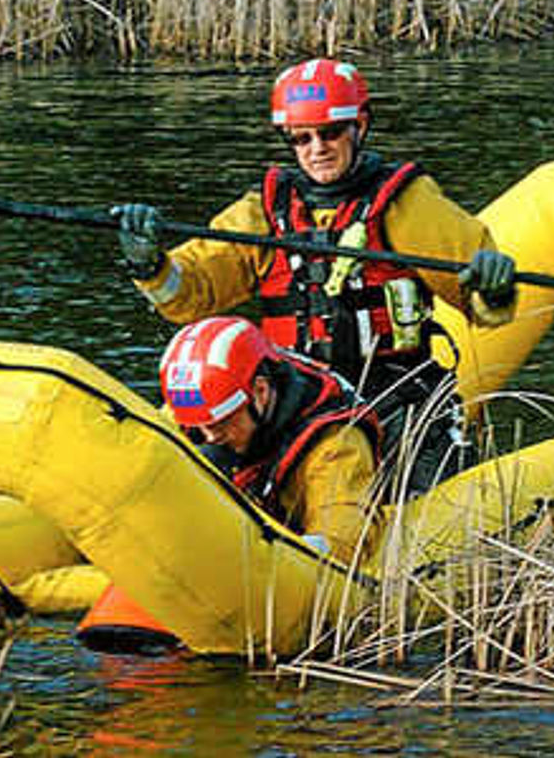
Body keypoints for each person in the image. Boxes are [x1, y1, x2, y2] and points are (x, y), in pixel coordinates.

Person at [115, 58, 517, 493]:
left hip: (394, 395)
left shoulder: (407, 204)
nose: (316, 148)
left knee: (434, 489)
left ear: (360, 126)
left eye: (330, 133)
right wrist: (150, 265)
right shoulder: (263, 212)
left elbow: (483, 305)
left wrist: (493, 289)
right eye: (301, 138)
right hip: (295, 399)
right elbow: (190, 292)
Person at [159, 316, 381, 565]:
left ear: (260, 391)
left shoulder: (335, 446)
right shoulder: (199, 404)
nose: (210, 436)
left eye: (223, 423)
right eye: (199, 425)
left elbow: (343, 540)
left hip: (291, 546)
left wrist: (268, 560)